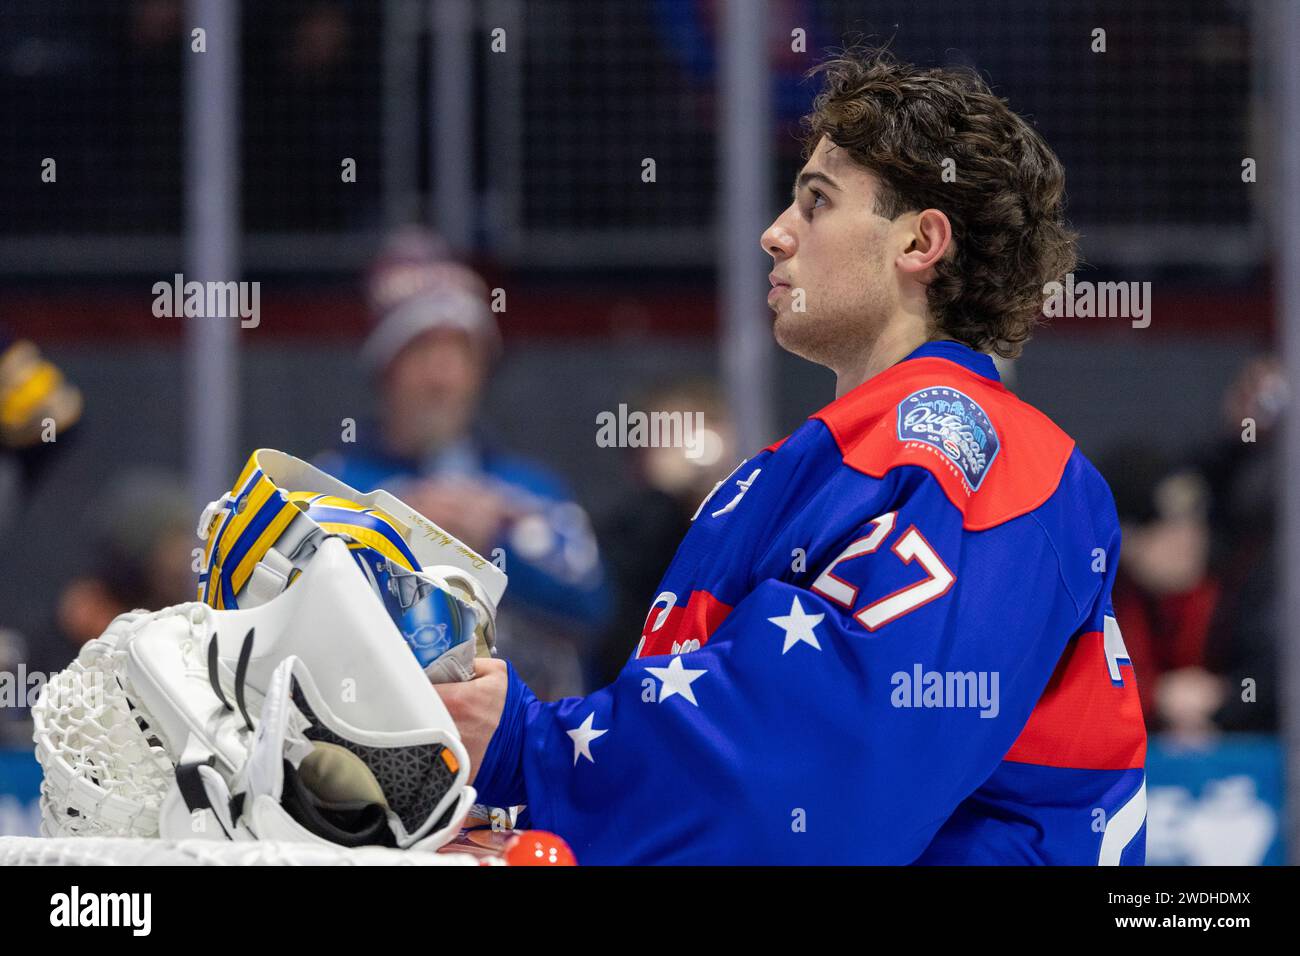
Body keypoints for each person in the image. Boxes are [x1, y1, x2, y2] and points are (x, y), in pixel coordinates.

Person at [437, 49, 1146, 864]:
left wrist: (531, 753)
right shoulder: (793, 470)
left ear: (920, 241)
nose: (775, 234)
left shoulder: (974, 453)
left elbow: (823, 780)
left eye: (816, 203)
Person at [317, 227, 611, 700]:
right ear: (385, 367)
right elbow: (297, 618)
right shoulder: (332, 486)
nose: (441, 377)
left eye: (459, 353)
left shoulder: (532, 488)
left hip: (524, 749)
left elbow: (594, 610)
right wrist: (396, 532)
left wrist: (495, 543)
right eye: (421, 352)